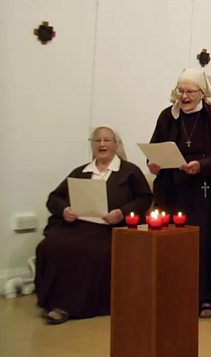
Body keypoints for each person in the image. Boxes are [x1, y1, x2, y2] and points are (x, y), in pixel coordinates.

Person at [35, 126, 152, 324]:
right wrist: (64, 210)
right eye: (97, 140)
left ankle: (72, 306)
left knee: (91, 251)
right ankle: (54, 301)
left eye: (107, 140)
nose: (102, 144)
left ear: (115, 144)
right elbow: (54, 198)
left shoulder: (129, 171)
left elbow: (144, 198)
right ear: (92, 145)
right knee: (50, 246)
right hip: (78, 226)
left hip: (111, 229)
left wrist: (121, 212)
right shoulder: (81, 172)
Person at [149, 68, 211, 318]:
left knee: (204, 245)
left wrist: (202, 165)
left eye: (190, 92)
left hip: (208, 192)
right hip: (175, 189)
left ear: (202, 93)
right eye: (181, 91)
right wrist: (153, 164)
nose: (184, 97)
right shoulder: (167, 117)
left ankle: (206, 297)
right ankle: (176, 294)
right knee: (176, 244)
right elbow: (155, 147)